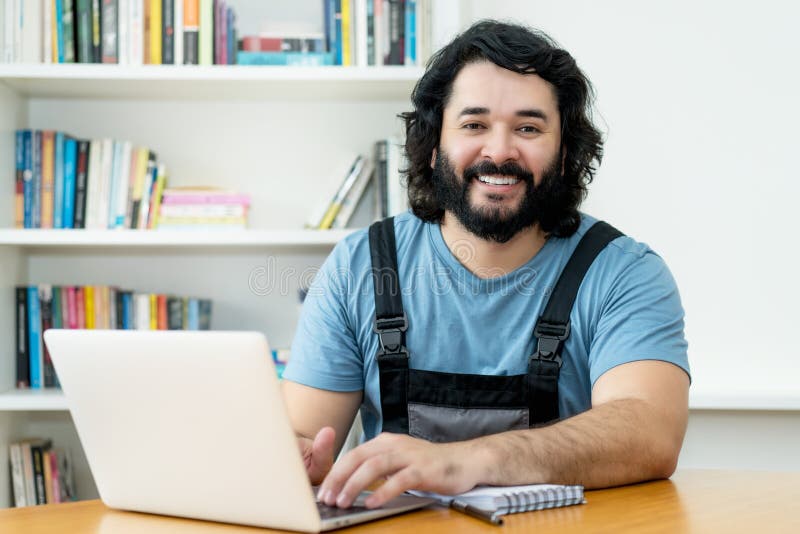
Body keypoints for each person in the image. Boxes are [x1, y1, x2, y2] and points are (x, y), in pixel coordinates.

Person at [282, 20, 690, 510]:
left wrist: (467, 461)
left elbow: (650, 432)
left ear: (564, 154)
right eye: (474, 125)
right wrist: (295, 459)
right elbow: (304, 438)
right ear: (434, 146)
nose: (499, 151)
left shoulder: (624, 272)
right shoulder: (359, 267)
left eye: (528, 128)